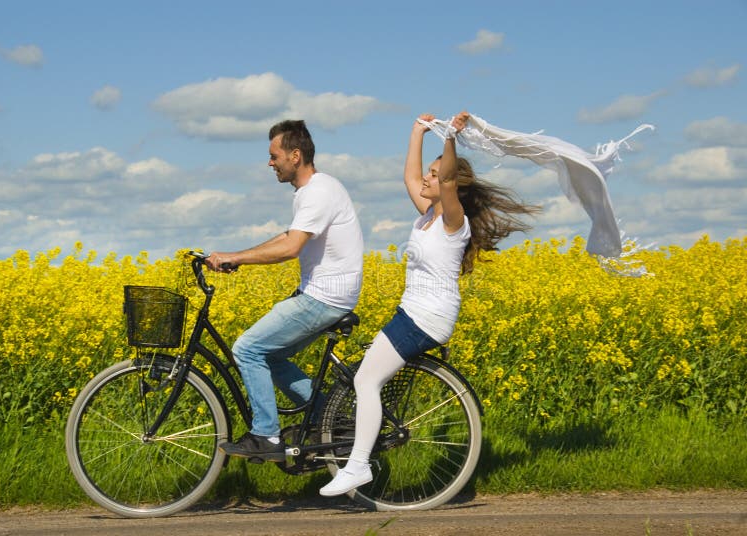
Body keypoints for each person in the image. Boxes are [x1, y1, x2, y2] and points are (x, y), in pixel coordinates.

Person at [319, 112, 539, 496]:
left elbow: (449, 180)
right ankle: (355, 460)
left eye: (434, 175)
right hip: (413, 312)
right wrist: (417, 133)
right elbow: (409, 177)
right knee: (368, 377)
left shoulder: (455, 221)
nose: (428, 178)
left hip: (427, 316)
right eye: (431, 173)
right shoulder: (425, 216)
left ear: (450, 184)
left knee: (366, 379)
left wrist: (450, 140)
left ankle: (357, 467)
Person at [206, 119, 364, 462]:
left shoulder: (319, 191)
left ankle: (267, 436)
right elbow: (287, 236)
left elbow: (291, 248)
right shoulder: (312, 192)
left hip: (324, 297)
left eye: (274, 155)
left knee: (247, 349)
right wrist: (236, 256)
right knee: (271, 355)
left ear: (295, 155)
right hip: (325, 293)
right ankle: (330, 421)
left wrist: (238, 257)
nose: (269, 163)